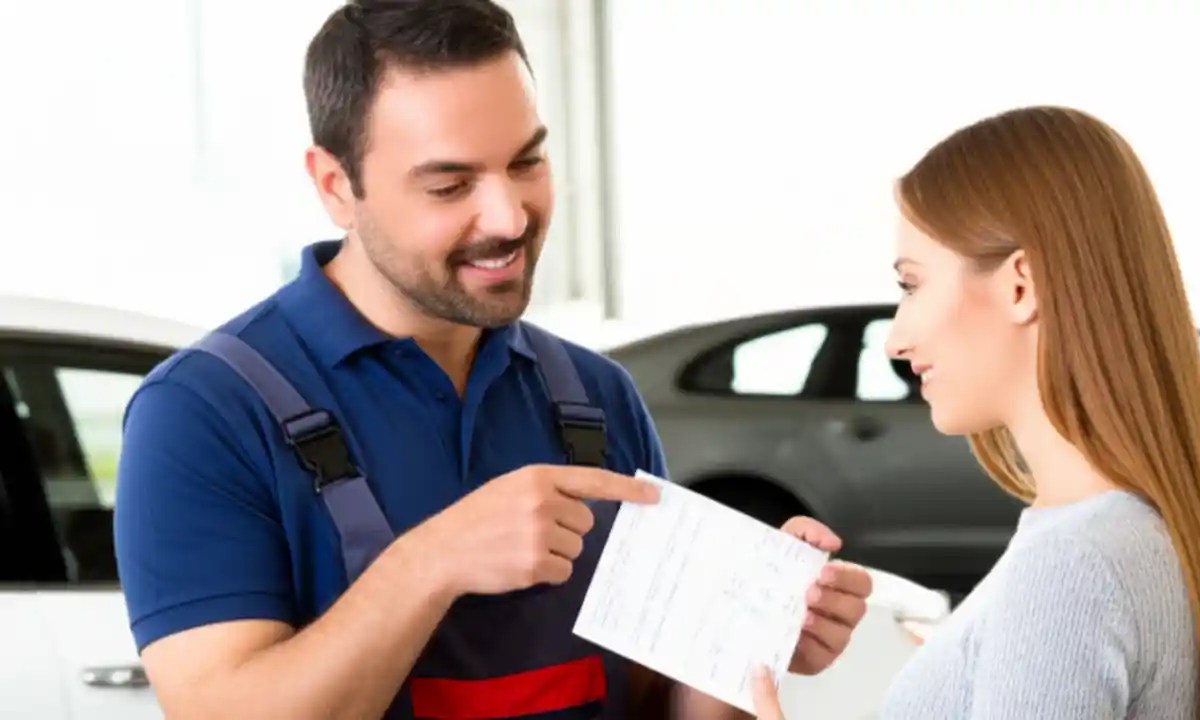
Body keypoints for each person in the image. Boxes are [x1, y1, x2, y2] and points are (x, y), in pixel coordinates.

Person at [112, 2, 873, 719]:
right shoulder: (202, 413)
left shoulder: (596, 397)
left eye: (526, 163)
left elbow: (651, 702)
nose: (510, 217)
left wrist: (740, 636)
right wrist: (434, 559)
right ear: (337, 186)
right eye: (451, 184)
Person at [751, 105, 1200, 719]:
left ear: (1020, 285)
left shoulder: (1072, 565)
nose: (895, 340)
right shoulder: (1134, 533)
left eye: (912, 284)